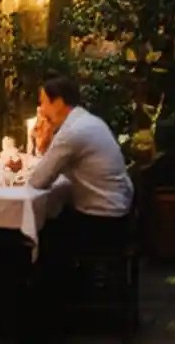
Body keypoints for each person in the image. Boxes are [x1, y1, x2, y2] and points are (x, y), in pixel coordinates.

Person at [29, 75, 133, 247]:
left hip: (102, 222)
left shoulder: (72, 132)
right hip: (119, 214)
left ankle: (52, 274)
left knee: (45, 229)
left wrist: (47, 139)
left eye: (43, 103)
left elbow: (38, 181)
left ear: (59, 103)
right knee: (56, 214)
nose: (41, 110)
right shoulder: (89, 121)